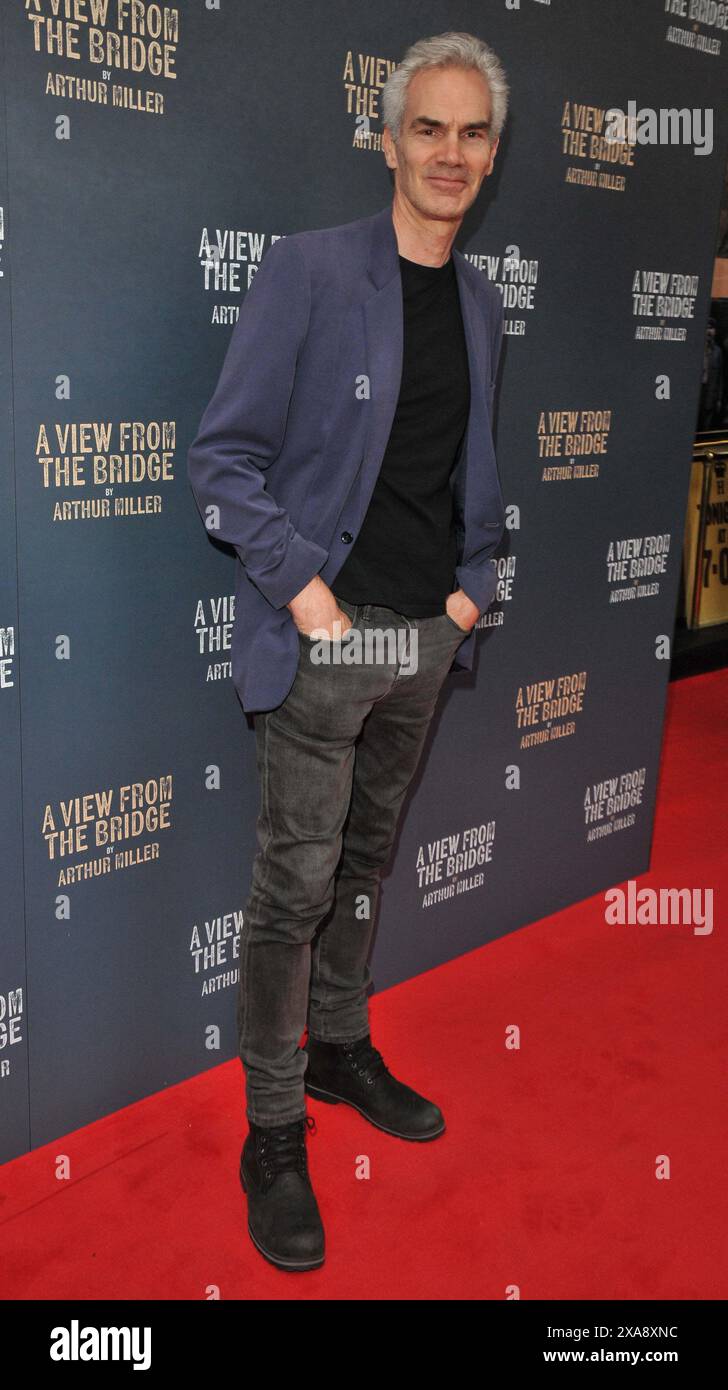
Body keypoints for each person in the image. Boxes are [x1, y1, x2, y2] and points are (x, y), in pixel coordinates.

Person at [187, 29, 509, 1272]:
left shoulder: (481, 305)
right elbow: (221, 460)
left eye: (471, 131)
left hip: (427, 636)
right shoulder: (312, 272)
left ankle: (336, 1046)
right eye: (425, 127)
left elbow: (464, 464)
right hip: (328, 641)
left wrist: (469, 595)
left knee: (367, 859)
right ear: (386, 141)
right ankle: (272, 1132)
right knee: (291, 890)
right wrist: (309, 600)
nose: (448, 151)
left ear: (490, 155)